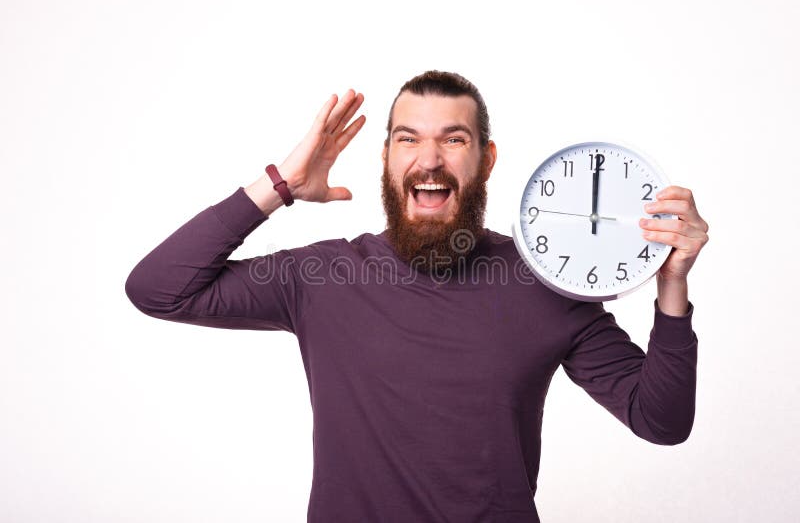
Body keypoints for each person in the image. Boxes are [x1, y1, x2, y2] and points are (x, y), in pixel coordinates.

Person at [125, 70, 709, 522]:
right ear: (386, 159)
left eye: (453, 139)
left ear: (486, 159)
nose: (428, 160)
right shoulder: (322, 277)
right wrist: (279, 186)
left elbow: (660, 419)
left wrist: (672, 284)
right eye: (408, 139)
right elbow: (157, 290)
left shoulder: (546, 283)